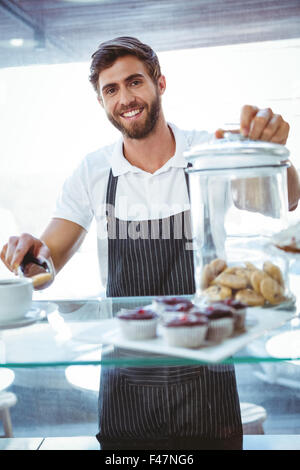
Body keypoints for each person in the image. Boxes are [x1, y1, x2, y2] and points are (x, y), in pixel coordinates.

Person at [1, 37, 300, 449]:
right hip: (127, 380)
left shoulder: (206, 151)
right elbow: (47, 264)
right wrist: (31, 255)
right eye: (111, 90)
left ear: (160, 83)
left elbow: (285, 197)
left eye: (135, 82)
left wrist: (272, 153)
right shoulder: (92, 171)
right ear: (102, 102)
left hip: (206, 374)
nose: (125, 98)